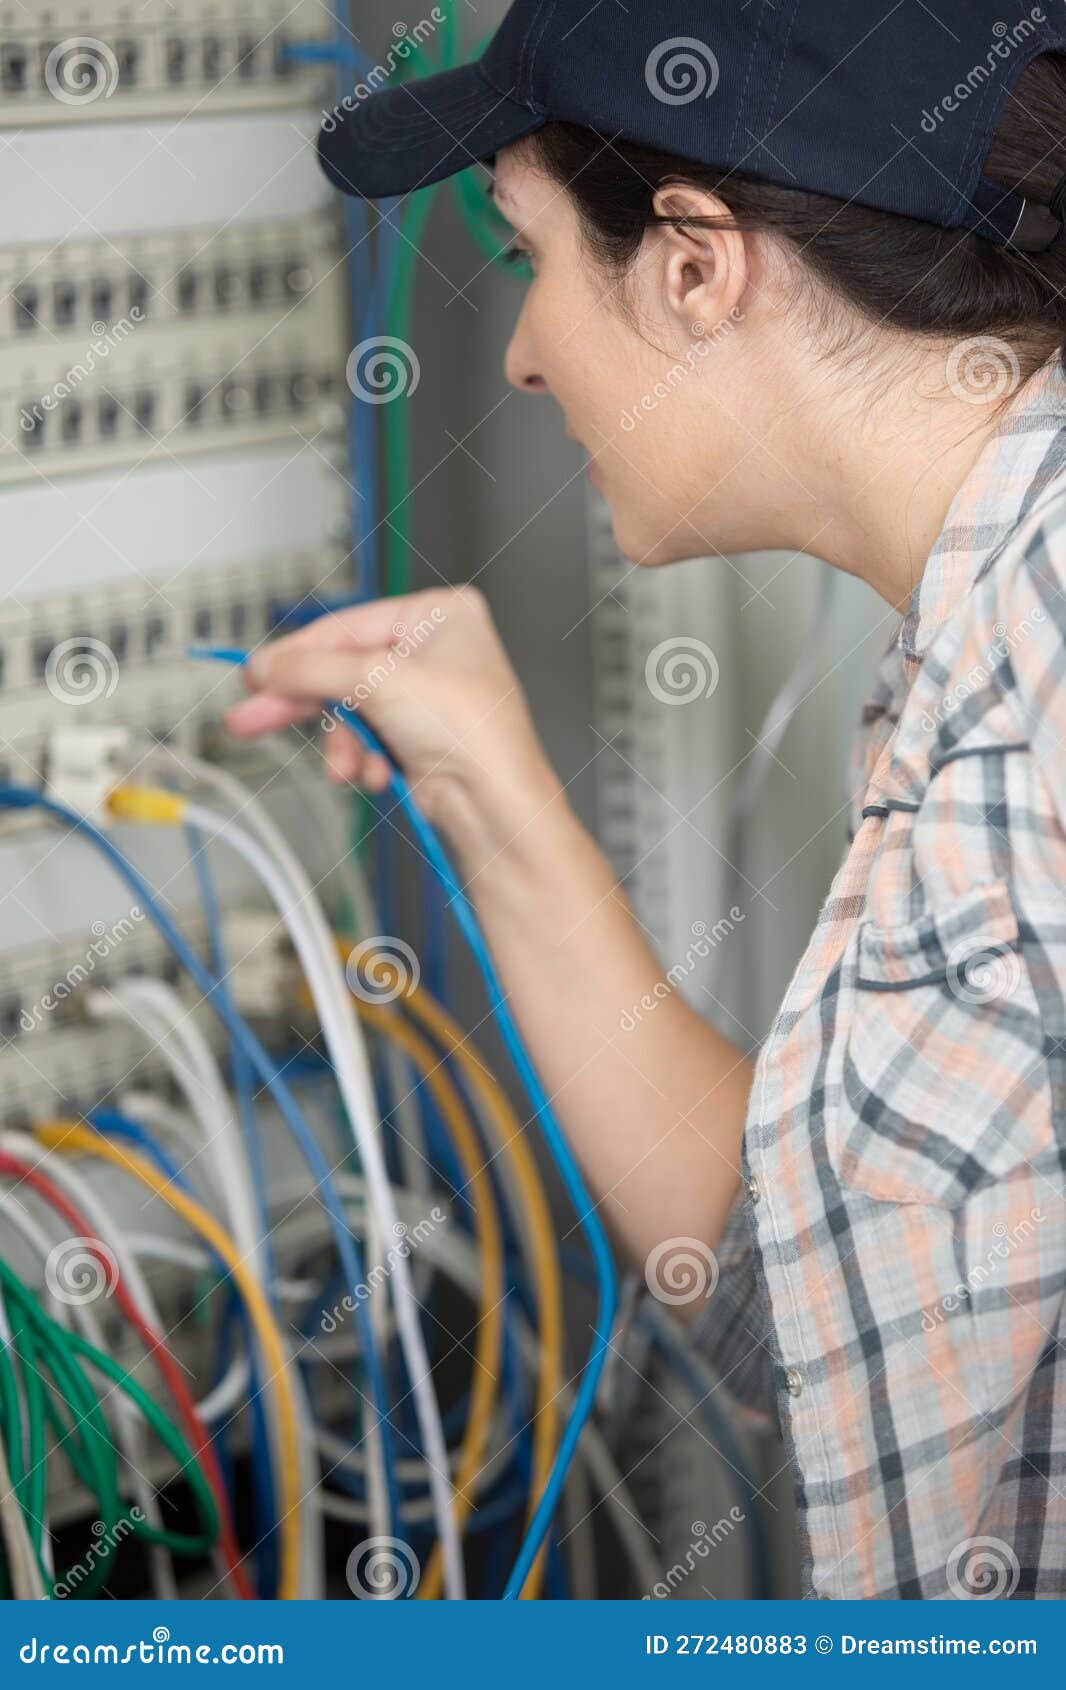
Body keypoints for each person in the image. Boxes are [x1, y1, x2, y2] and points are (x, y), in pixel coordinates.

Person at [226, 2, 1066, 1599]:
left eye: (525, 246)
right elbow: (811, 1313)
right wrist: (494, 795)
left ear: (694, 262)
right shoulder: (964, 648)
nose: (525, 350)